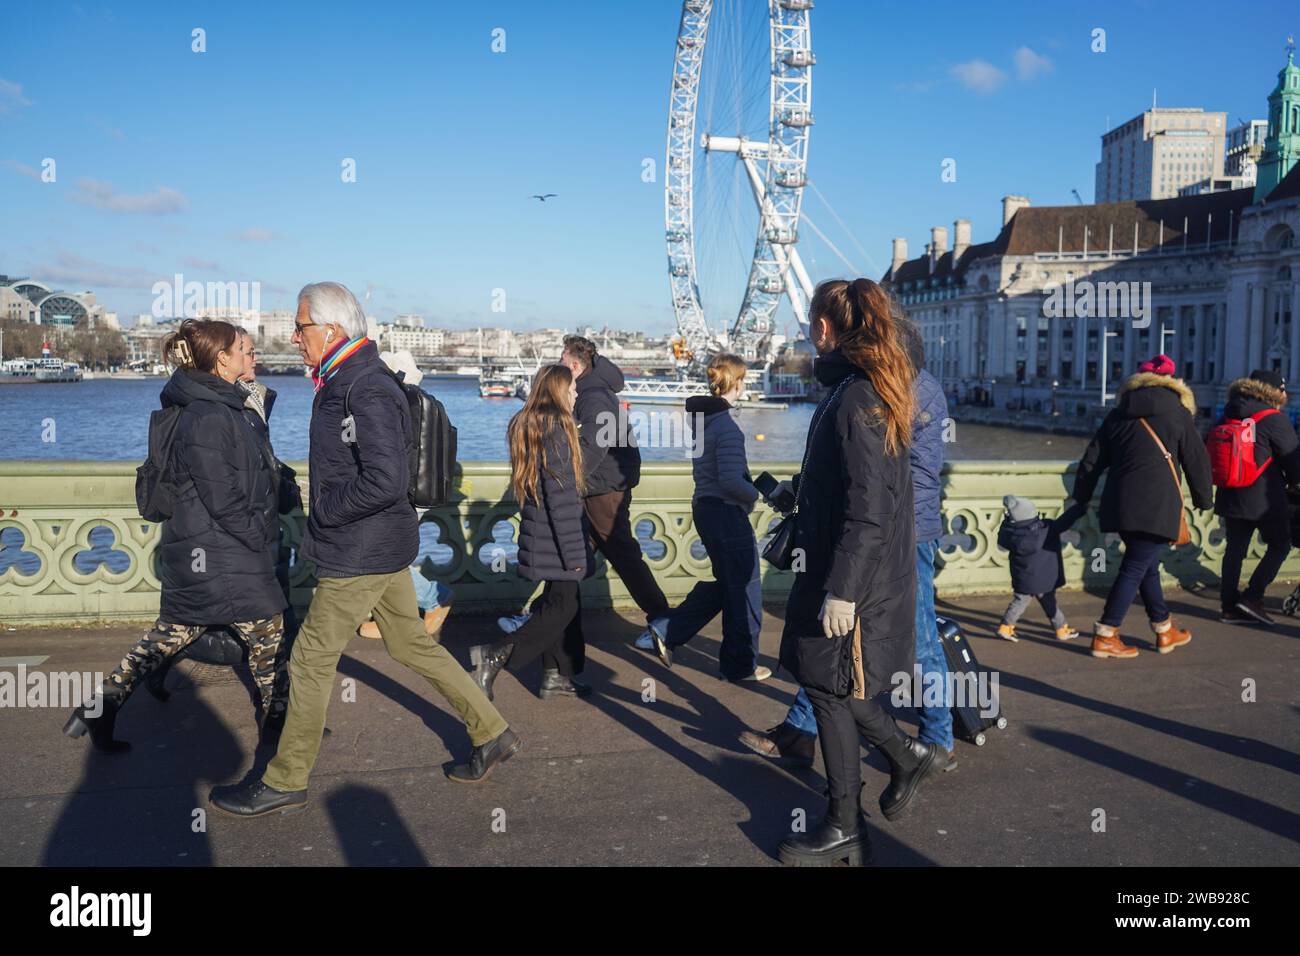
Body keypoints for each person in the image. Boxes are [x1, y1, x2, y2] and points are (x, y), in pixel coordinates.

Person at [210, 282, 518, 817]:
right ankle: (491, 731)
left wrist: (325, 509)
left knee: (308, 659)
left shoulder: (362, 387)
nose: (294, 336)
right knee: (411, 645)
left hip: (361, 548)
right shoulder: (349, 380)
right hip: (380, 542)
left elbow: (385, 478)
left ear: (330, 330)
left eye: (301, 326)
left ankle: (286, 778)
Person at [738, 316, 955, 772]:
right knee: (835, 636)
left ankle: (938, 740)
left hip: (904, 534)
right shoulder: (891, 385)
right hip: (882, 531)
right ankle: (801, 731)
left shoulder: (910, 389)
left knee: (921, 637)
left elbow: (902, 474)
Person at [62, 319, 289, 752]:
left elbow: (242, 475)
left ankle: (97, 710)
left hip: (203, 551)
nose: (253, 355)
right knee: (269, 636)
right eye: (246, 349)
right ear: (223, 359)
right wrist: (260, 540)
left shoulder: (221, 406)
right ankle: (282, 738)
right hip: (224, 553)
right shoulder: (209, 415)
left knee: (166, 637)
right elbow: (223, 498)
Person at [772, 278, 932, 868]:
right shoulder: (860, 391)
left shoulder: (857, 398)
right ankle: (906, 758)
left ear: (822, 328)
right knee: (830, 688)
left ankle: (845, 823)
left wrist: (842, 593)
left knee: (830, 690)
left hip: (851, 580)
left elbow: (870, 507)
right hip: (844, 568)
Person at [632, 353, 770, 681]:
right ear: (738, 383)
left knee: (729, 584)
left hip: (705, 509)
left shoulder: (702, 422)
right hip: (726, 514)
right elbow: (731, 481)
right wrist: (756, 495)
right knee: (746, 588)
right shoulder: (729, 429)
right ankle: (739, 666)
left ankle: (666, 630)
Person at [1072, 353, 1213, 659]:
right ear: (1173, 382)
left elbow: (1091, 460)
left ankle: (1164, 630)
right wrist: (1204, 498)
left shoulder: (1117, 414)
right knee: (1136, 565)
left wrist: (1081, 496)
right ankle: (1106, 633)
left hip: (1120, 503)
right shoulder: (1178, 414)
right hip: (1158, 504)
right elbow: (1197, 461)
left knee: (1146, 565)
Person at [469, 364, 594, 701]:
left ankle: (555, 675)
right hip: (556, 539)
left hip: (540, 533)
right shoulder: (558, 430)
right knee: (562, 607)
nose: (576, 393)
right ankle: (493, 657)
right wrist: (575, 557)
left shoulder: (530, 425)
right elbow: (563, 501)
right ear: (558, 391)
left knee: (560, 602)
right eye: (572, 388)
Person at [1214, 370, 1300, 625]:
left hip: (1230, 491)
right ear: (1274, 391)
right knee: (1280, 545)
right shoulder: (1274, 419)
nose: (1286, 394)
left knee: (1234, 550)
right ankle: (1253, 597)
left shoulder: (1229, 411)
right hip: (1264, 498)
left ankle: (1229, 607)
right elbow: (1294, 463)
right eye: (1283, 390)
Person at [995, 495, 1086, 642]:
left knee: (1020, 601)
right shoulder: (1046, 529)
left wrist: (1008, 519)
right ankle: (1060, 630)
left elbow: (1002, 540)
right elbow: (1065, 521)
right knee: (1047, 601)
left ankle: (1007, 627)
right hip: (1044, 577)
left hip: (1023, 576)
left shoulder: (1010, 531)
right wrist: (1079, 508)